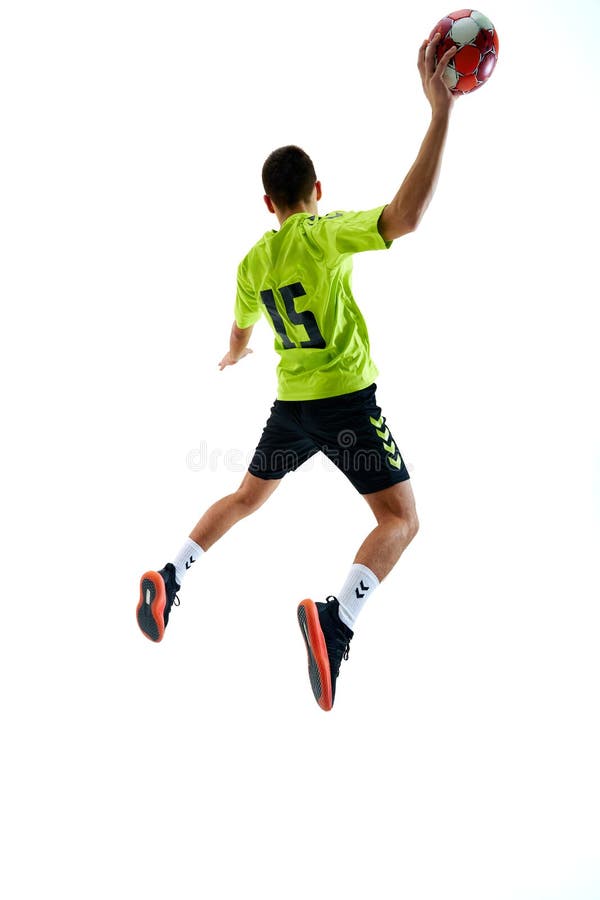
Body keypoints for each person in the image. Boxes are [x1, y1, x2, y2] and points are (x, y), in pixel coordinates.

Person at [137, 35, 457, 710]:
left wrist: (234, 353)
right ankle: (336, 619)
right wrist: (440, 113)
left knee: (246, 498)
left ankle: (171, 573)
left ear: (267, 204)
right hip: (344, 404)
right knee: (401, 519)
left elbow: (239, 325)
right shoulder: (324, 231)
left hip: (292, 407)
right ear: (315, 191)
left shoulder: (253, 261)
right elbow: (406, 217)